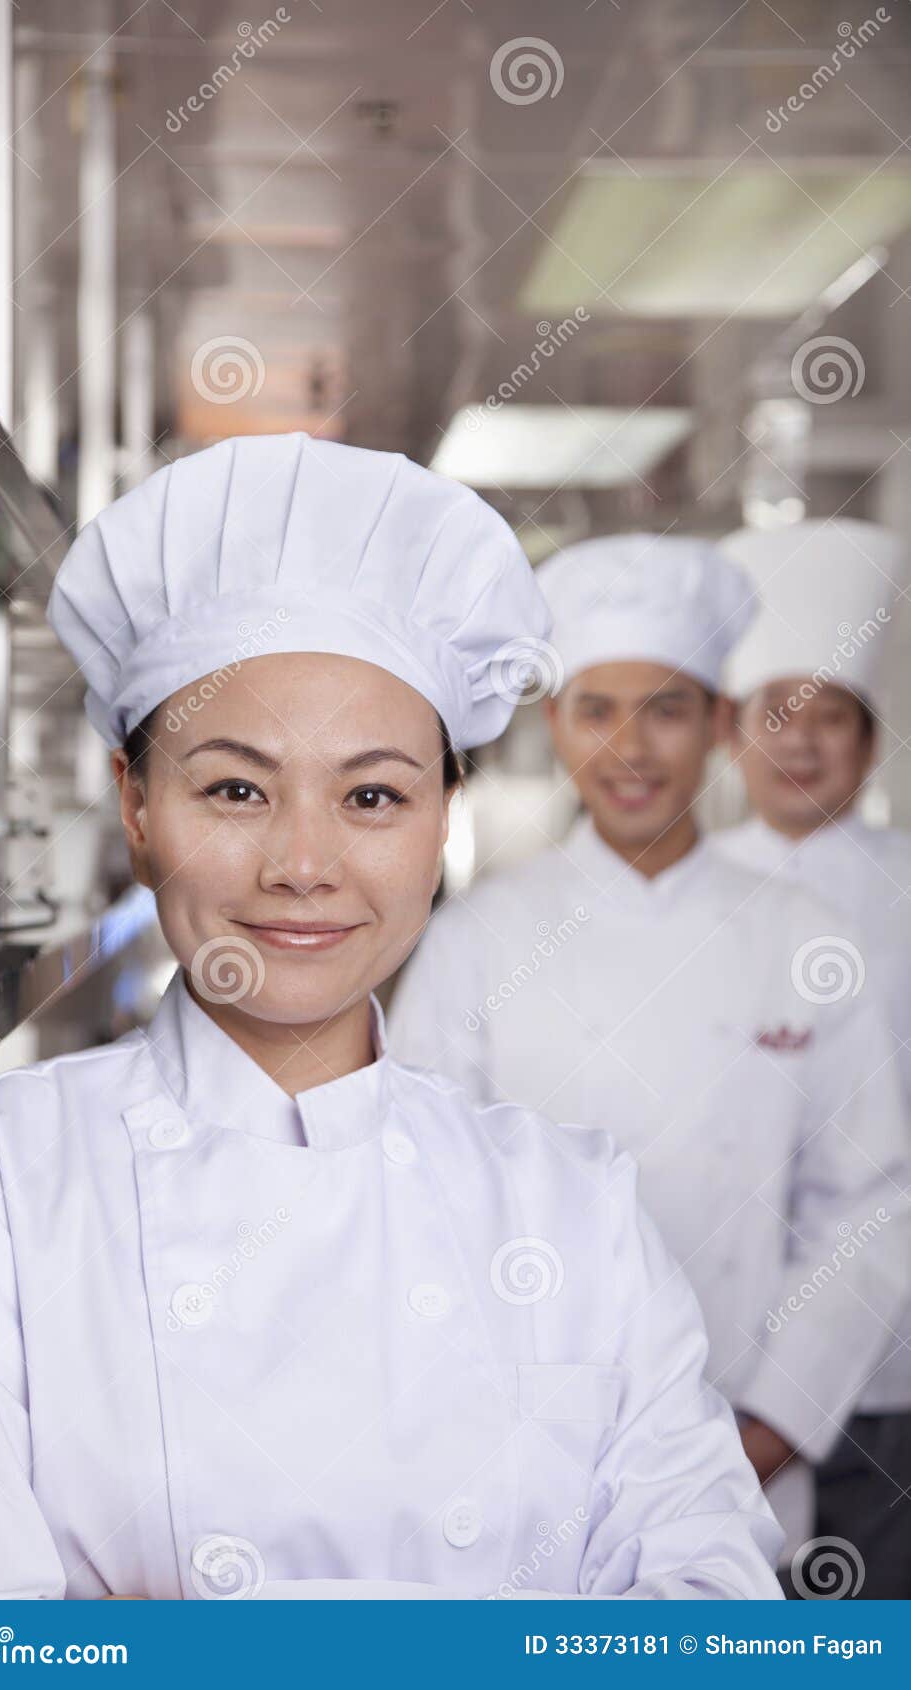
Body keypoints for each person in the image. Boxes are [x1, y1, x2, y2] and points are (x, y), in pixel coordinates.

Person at [0, 436, 781, 1601]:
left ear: (443, 817)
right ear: (136, 807)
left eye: (372, 795)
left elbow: (706, 1611)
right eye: (234, 788)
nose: (301, 863)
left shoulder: (572, 1205)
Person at [389, 531, 911, 1572]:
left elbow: (862, 1204)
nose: (629, 748)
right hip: (514, 1470)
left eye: (665, 708)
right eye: (596, 709)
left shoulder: (805, 938)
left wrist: (761, 1432)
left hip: (747, 1458)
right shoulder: (476, 937)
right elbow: (411, 1198)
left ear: (717, 724)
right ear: (556, 725)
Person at [715, 517, 911, 1598]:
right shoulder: (682, 901)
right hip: (724, 1351)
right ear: (730, 736)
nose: (797, 743)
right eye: (771, 717)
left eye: (826, 717)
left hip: (895, 1362)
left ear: (868, 743)